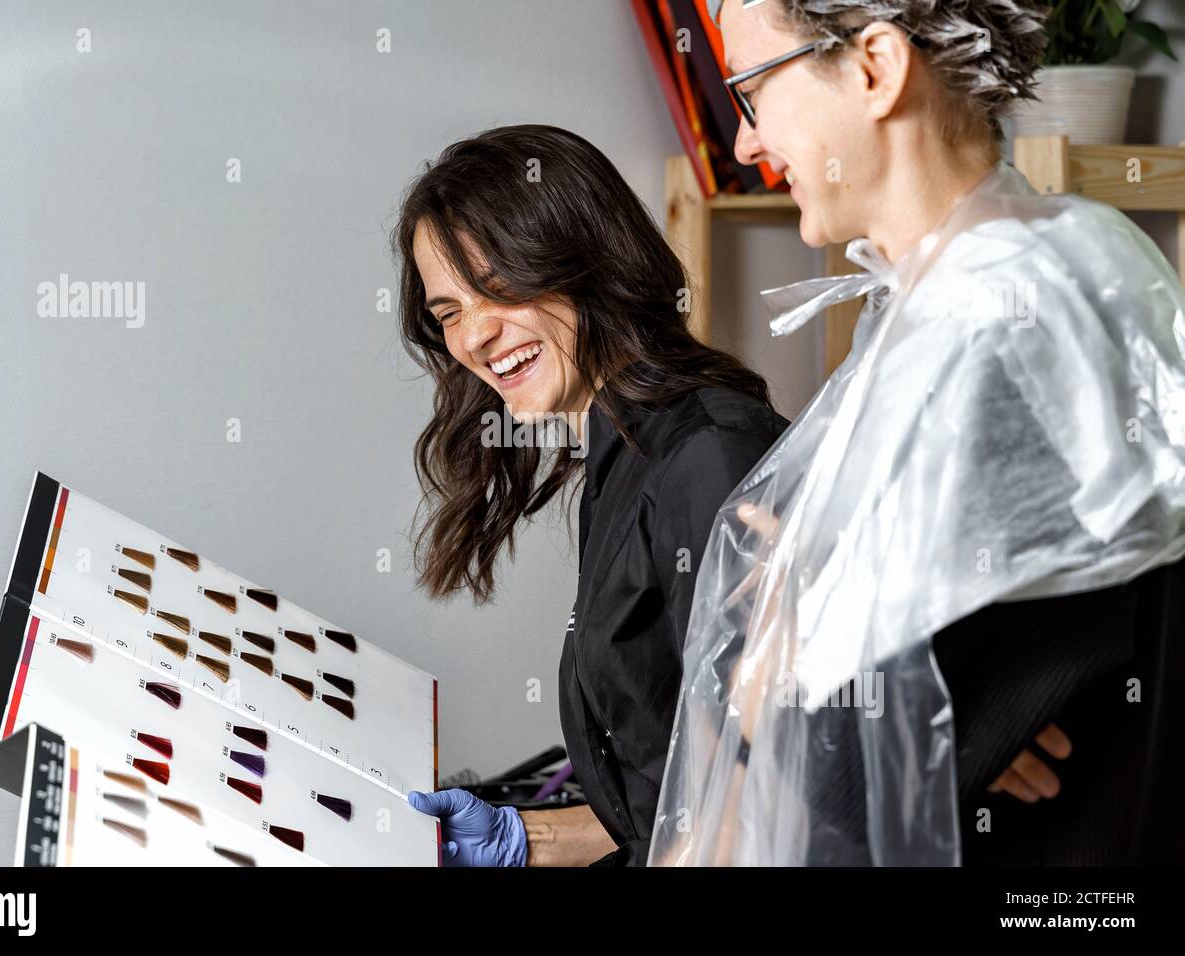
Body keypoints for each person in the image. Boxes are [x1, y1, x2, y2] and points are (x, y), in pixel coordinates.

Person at [393, 124, 1053, 866]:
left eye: (500, 287)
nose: (477, 334)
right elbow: (679, 801)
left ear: (585, 260)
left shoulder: (706, 458)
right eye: (448, 312)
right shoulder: (623, 452)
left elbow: (783, 805)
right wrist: (527, 839)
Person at [651, 0, 1185, 865]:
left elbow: (846, 787)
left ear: (876, 68)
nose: (745, 144)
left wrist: (787, 636)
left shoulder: (994, 313)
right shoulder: (1008, 269)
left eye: (753, 92)